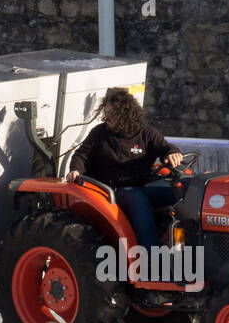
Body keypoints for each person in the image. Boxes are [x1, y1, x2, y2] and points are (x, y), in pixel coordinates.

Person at [65, 88, 183, 250]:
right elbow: (81, 155)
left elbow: (165, 148)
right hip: (113, 191)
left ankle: (181, 243)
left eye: (110, 116)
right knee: (137, 197)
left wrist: (172, 153)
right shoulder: (99, 134)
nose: (106, 120)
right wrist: (76, 170)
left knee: (185, 190)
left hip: (143, 186)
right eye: (105, 115)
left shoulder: (146, 134)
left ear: (125, 116)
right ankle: (153, 255)